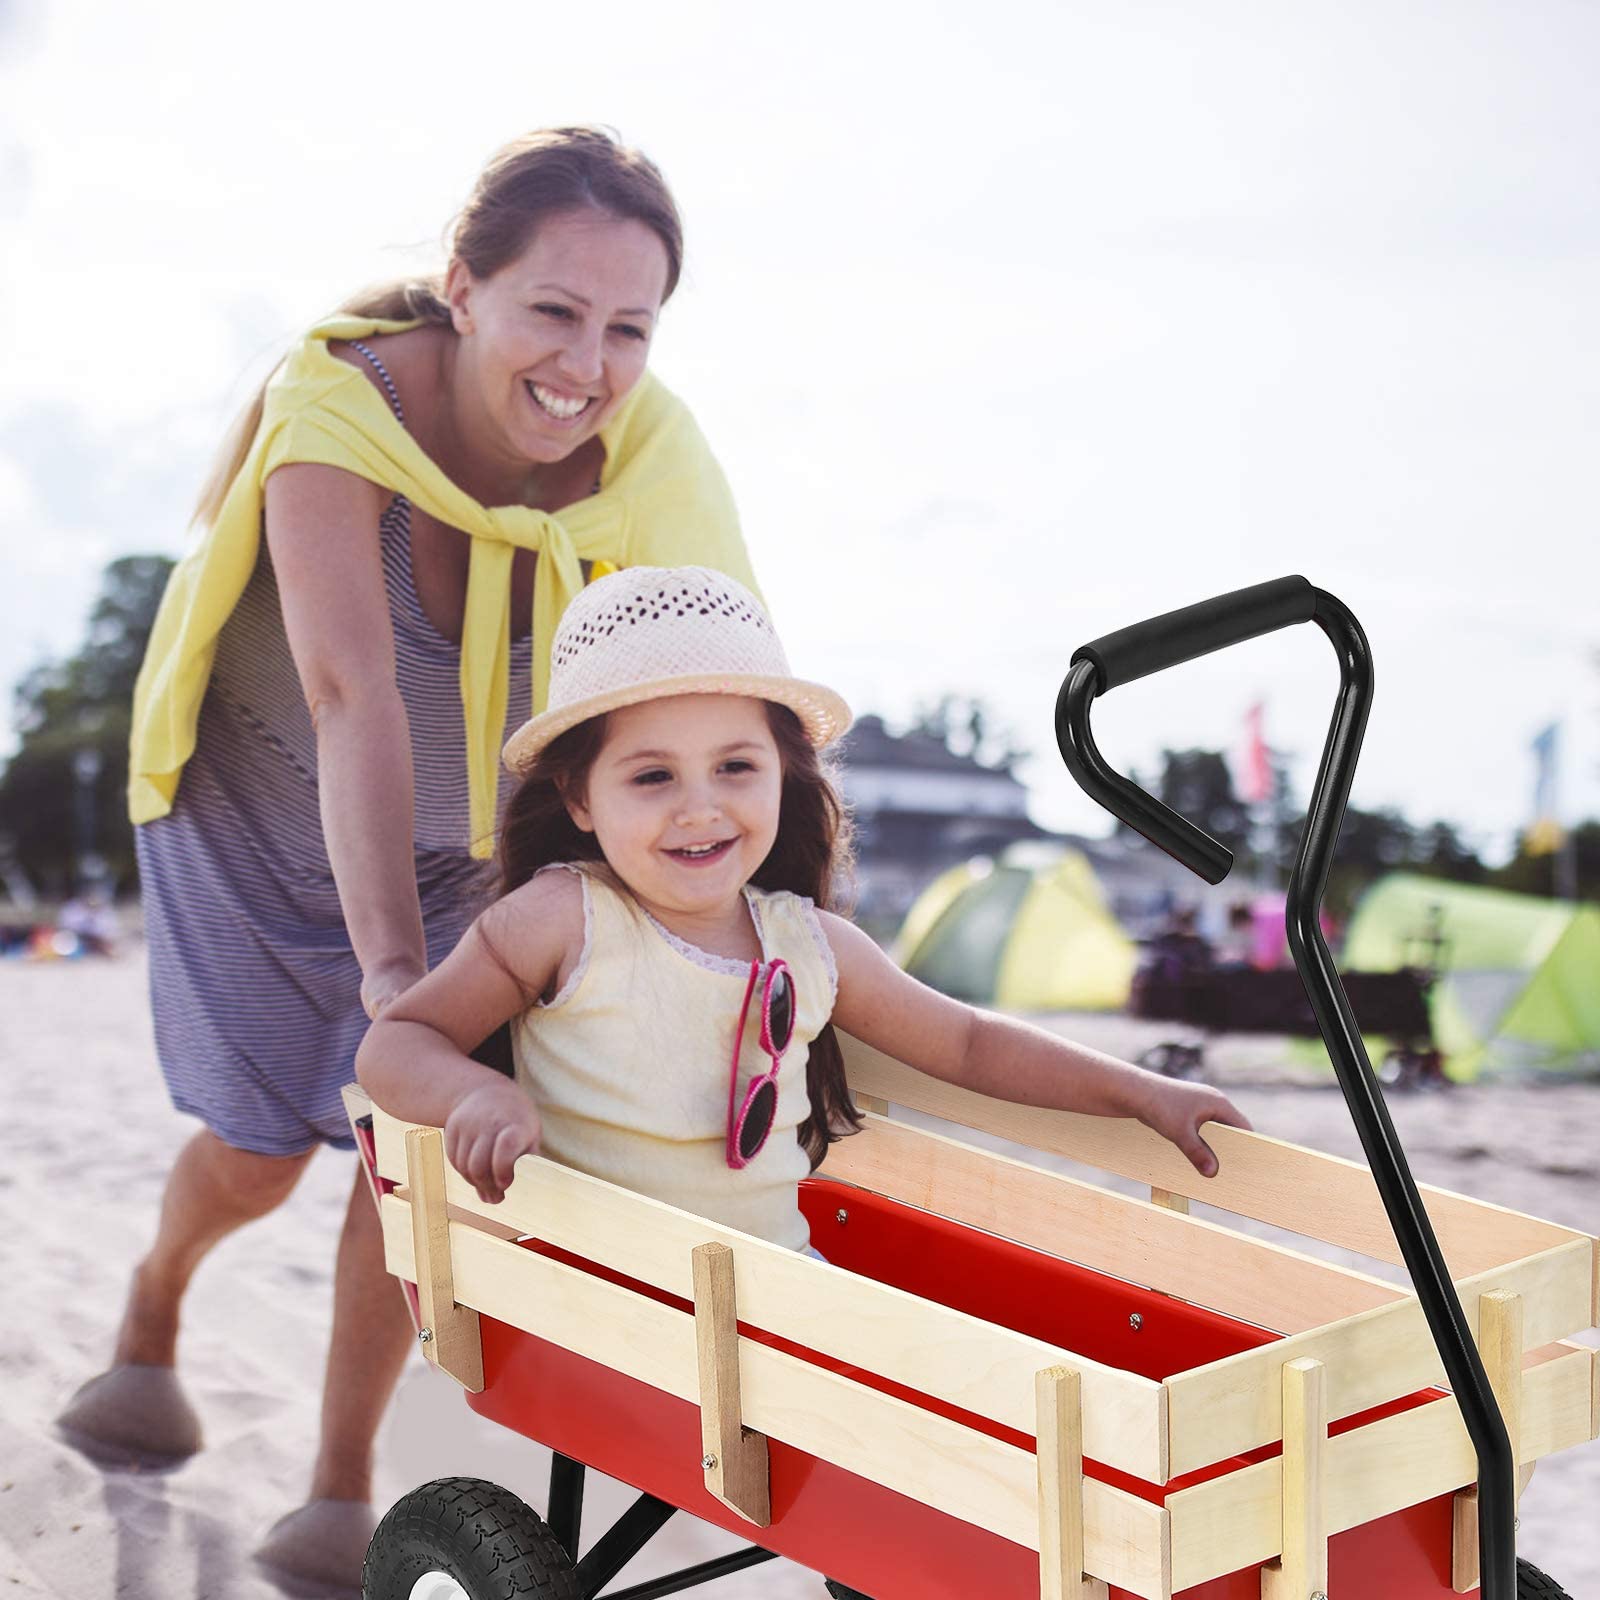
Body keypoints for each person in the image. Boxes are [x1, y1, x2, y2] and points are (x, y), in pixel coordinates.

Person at [57, 129, 757, 1588]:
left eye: (631, 326)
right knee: (257, 1155)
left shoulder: (650, 458)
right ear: (463, 289)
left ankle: (334, 1485)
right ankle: (153, 1308)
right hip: (253, 803)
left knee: (409, 1152)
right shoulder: (340, 407)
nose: (590, 361)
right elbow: (349, 697)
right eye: (554, 310)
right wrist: (391, 981)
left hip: (469, 846)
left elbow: (730, 694)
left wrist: (785, 957)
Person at [358, 565, 1252, 1271]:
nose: (700, 808)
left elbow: (970, 1044)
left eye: (737, 767)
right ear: (580, 799)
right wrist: (475, 1092)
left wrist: (1142, 1091)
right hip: (596, 1288)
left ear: (786, 775)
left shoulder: (810, 945)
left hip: (774, 1292)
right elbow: (396, 1045)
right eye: (652, 776)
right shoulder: (565, 916)